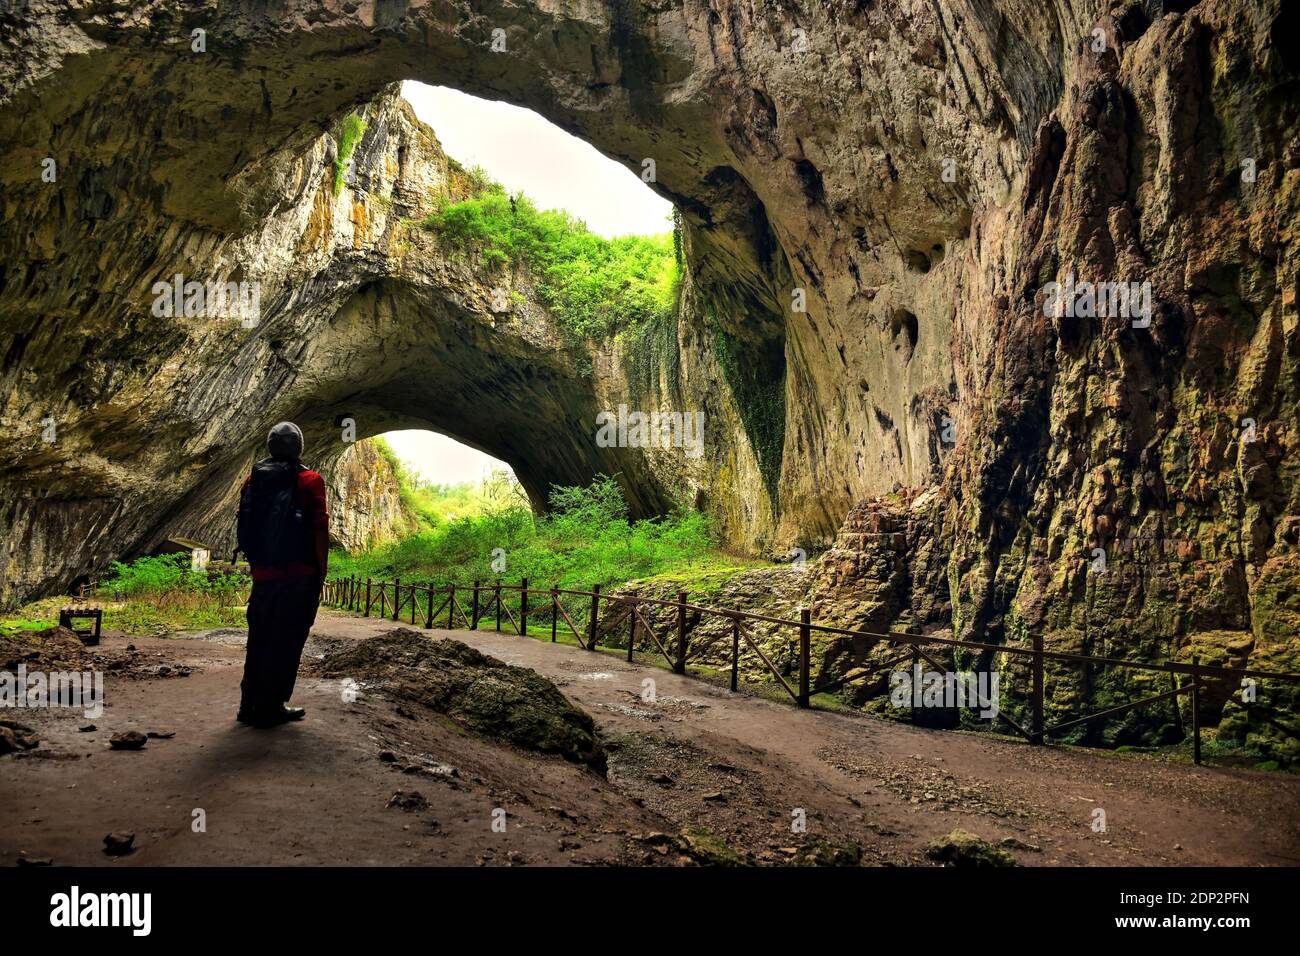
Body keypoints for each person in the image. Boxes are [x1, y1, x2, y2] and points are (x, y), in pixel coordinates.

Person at [234, 422, 329, 728]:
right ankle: (272, 706)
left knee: (259, 640)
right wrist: (320, 572)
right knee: (287, 642)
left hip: (264, 577)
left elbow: (247, 525)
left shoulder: (252, 481)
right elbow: (319, 528)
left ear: (270, 448)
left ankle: (248, 706)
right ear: (300, 449)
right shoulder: (310, 481)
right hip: (298, 576)